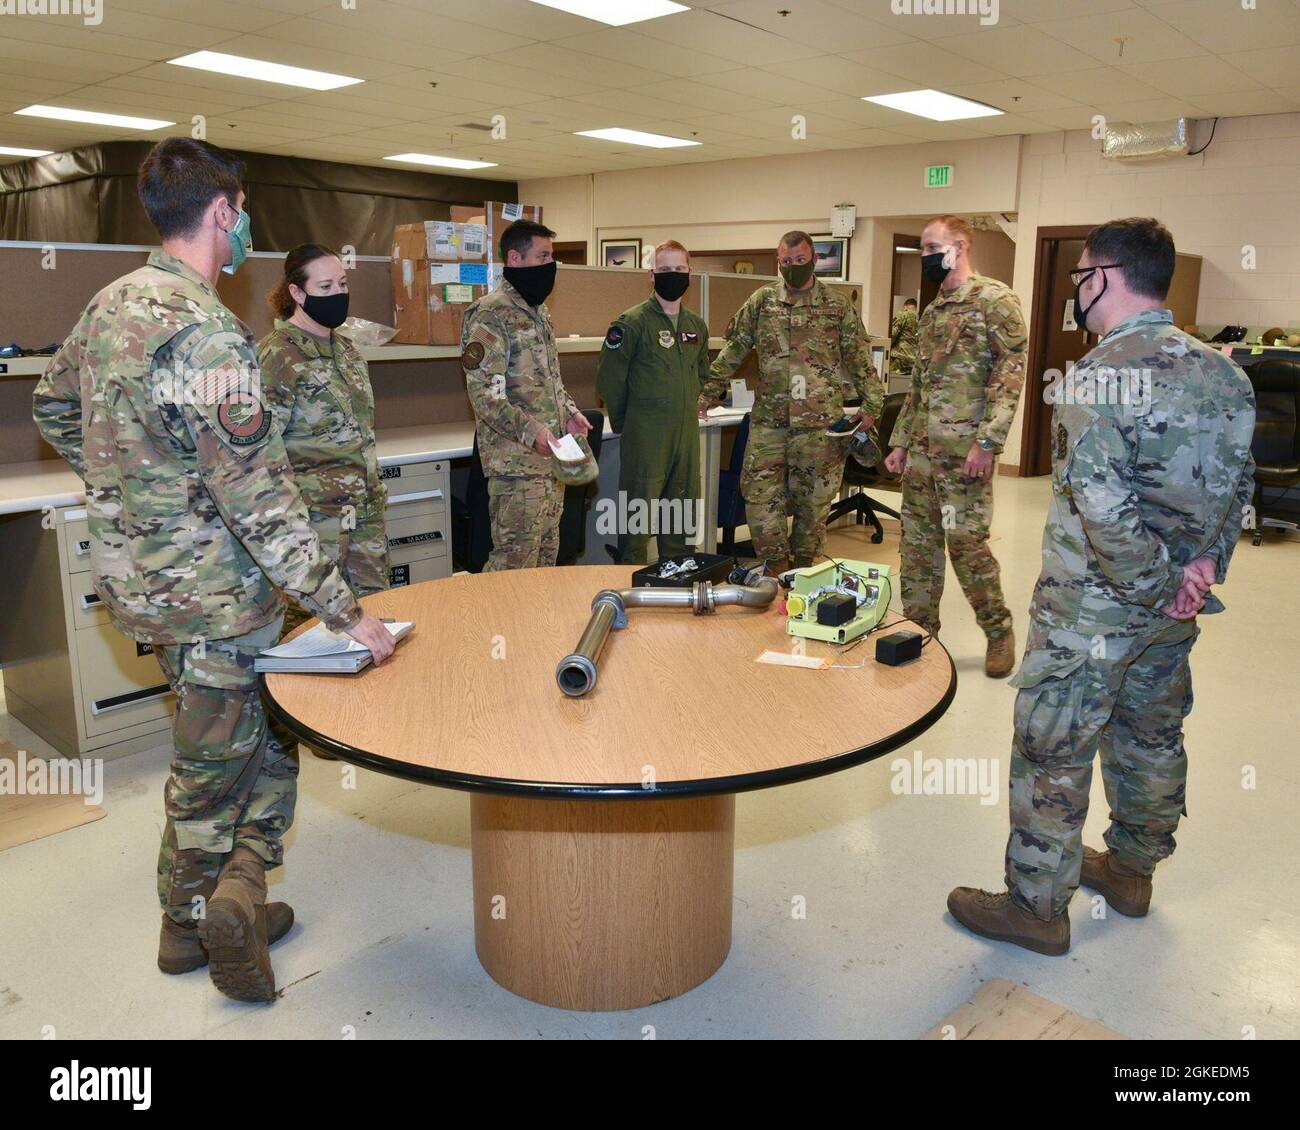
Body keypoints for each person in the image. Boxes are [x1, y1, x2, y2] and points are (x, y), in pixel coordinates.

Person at [32, 137, 394, 1003]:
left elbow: (52, 401)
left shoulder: (110, 303)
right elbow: (261, 501)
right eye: (243, 216)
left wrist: (137, 492)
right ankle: (203, 912)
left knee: (230, 740)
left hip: (144, 586)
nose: (246, 234)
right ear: (224, 214)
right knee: (232, 757)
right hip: (221, 596)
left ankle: (222, 901)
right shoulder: (209, 335)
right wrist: (349, 615)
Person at [947, 217, 1256, 955]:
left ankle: (1035, 909)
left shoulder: (1097, 377)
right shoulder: (1227, 375)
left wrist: (1154, 585)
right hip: (1172, 606)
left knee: (1052, 746)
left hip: (1094, 608)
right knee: (1150, 733)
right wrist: (1200, 571)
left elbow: (1103, 508)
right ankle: (1130, 873)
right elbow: (1236, 488)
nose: (1076, 292)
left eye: (1080, 277)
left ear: (1104, 278)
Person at [884, 215, 1026, 677]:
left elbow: (1010, 376)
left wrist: (987, 442)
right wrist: (901, 442)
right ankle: (920, 631)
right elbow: (919, 386)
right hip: (924, 455)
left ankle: (998, 630)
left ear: (959, 246)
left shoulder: (995, 300)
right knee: (918, 550)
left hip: (966, 456)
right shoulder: (930, 312)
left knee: (967, 547)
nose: (925, 256)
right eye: (923, 248)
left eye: (931, 247)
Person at [700, 230, 882, 572]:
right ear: (777, 262)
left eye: (800, 260)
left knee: (812, 508)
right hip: (769, 424)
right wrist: (707, 394)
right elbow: (734, 350)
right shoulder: (761, 302)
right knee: (759, 500)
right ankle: (775, 567)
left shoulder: (837, 305)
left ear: (813, 260)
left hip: (819, 428)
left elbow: (859, 359)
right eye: (786, 261)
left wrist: (872, 407)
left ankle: (803, 571)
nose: (793, 267)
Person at [258, 243, 389, 639]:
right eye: (326, 286)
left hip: (364, 512)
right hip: (316, 523)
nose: (337, 295)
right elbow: (263, 453)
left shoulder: (347, 350)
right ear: (297, 294)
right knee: (311, 632)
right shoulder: (278, 356)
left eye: (343, 284)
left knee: (377, 619)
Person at [460, 219, 589, 570]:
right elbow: (486, 396)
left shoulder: (538, 312)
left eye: (552, 256)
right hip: (516, 466)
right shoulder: (490, 313)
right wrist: (535, 433)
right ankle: (495, 627)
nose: (551, 265)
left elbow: (549, 379)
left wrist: (570, 412)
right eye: (543, 255)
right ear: (515, 258)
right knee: (513, 566)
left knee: (547, 559)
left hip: (551, 459)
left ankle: (535, 626)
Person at [596, 239, 711, 564]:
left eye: (678, 269)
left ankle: (679, 579)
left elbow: (703, 373)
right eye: (664, 270)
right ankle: (630, 581)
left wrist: (701, 401)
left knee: (682, 513)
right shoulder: (631, 323)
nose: (672, 275)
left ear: (690, 273)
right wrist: (626, 423)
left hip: (686, 436)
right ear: (651, 275)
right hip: (646, 435)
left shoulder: (695, 326)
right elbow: (609, 380)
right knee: (638, 516)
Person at [890, 297, 919, 379]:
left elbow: (893, 334)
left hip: (899, 358)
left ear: (905, 306)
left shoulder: (903, 315)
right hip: (913, 359)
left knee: (894, 382)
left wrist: (887, 347)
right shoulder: (919, 318)